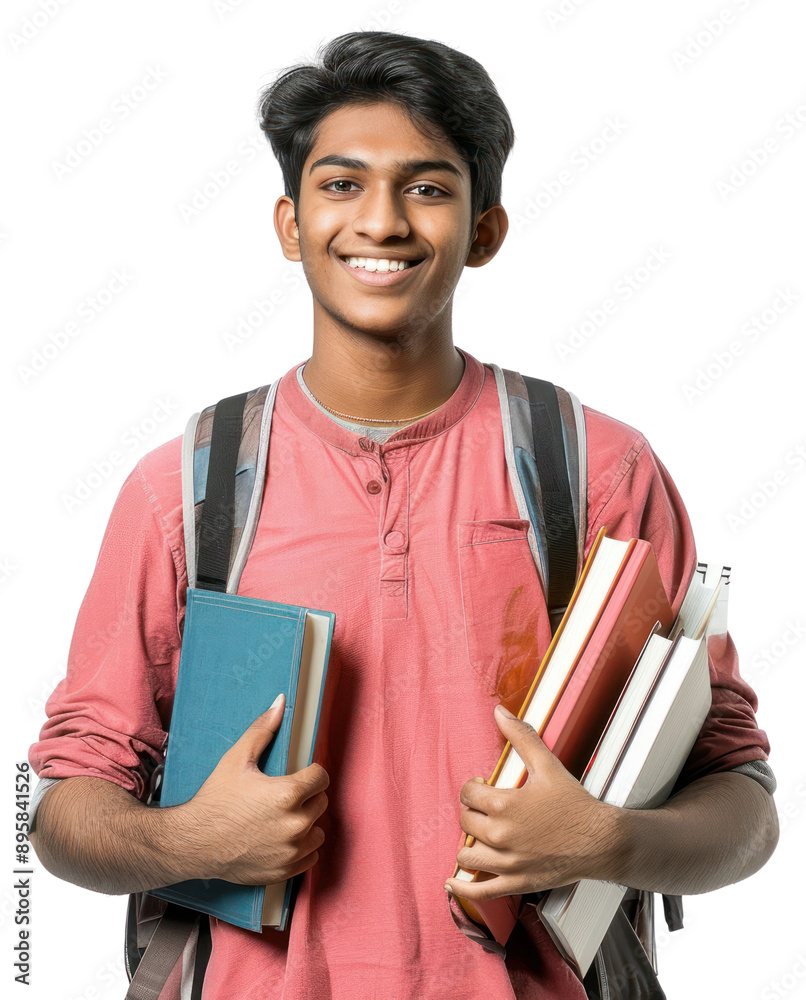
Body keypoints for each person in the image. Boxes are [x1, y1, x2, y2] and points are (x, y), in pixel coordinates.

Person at [27, 30, 777, 999]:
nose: (378, 221)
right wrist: (186, 838)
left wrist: (608, 837)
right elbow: (51, 811)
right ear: (289, 224)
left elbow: (742, 802)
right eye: (340, 185)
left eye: (425, 187)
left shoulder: (597, 474)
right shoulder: (183, 493)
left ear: (484, 230)